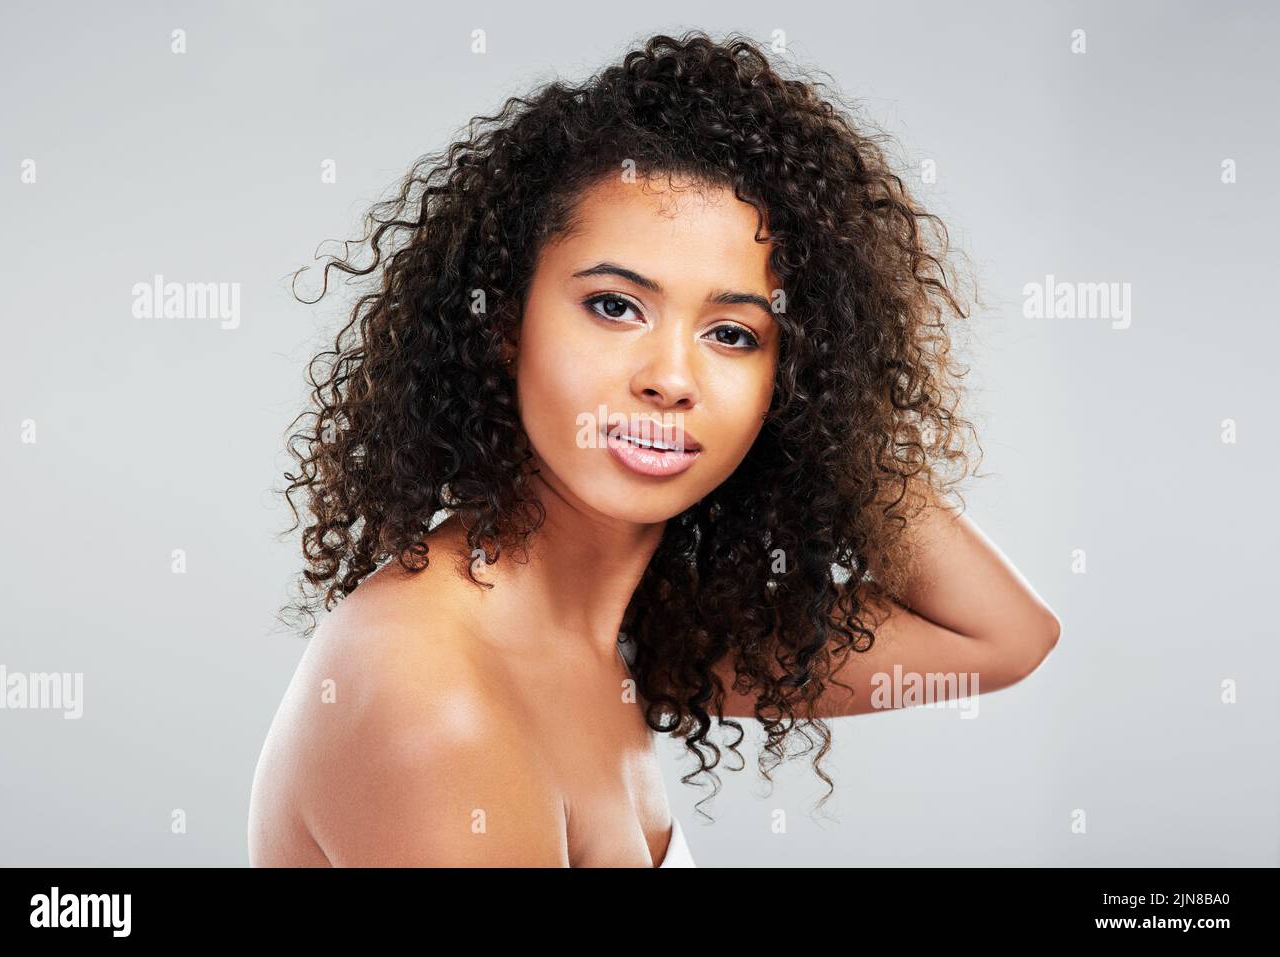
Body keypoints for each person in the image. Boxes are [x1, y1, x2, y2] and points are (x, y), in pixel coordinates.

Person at [248, 31, 1061, 868]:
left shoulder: (634, 635)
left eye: (733, 333)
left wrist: (834, 424)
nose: (672, 378)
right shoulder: (435, 692)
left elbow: (1000, 638)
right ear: (501, 323)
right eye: (614, 306)